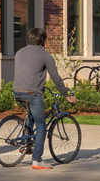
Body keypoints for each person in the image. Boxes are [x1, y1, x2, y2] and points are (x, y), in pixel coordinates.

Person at [12, 26, 71, 170]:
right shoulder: (45, 55)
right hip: (33, 93)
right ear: (42, 40)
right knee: (41, 125)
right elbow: (56, 78)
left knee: (30, 115)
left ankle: (25, 145)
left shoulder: (19, 53)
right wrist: (66, 94)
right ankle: (37, 160)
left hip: (17, 91)